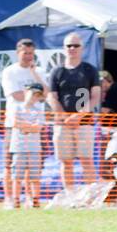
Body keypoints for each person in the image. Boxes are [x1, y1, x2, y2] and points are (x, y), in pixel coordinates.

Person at [46, 32, 101, 190]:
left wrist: (78, 116)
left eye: (75, 45)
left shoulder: (90, 70)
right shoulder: (57, 71)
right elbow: (52, 97)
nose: (72, 48)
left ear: (82, 48)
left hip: (84, 123)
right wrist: (65, 117)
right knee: (66, 161)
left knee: (86, 159)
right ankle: (70, 195)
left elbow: (95, 96)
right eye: (69, 45)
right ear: (64, 48)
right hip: (62, 123)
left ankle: (91, 195)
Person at [0, 38, 45, 207]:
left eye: (31, 53)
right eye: (25, 53)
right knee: (10, 164)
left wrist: (35, 75)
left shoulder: (39, 71)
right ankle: (9, 198)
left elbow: (46, 93)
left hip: (35, 122)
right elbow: (16, 95)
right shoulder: (10, 71)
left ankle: (30, 199)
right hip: (14, 123)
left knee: (32, 166)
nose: (28, 57)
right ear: (18, 53)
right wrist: (34, 96)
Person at [9, 82, 47, 207]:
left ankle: (35, 200)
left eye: (37, 95)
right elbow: (15, 122)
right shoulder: (16, 107)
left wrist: (25, 127)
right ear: (26, 92)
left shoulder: (39, 111)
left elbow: (38, 128)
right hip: (18, 147)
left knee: (35, 176)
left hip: (34, 148)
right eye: (33, 93)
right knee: (17, 176)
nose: (34, 97)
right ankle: (16, 200)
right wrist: (30, 126)